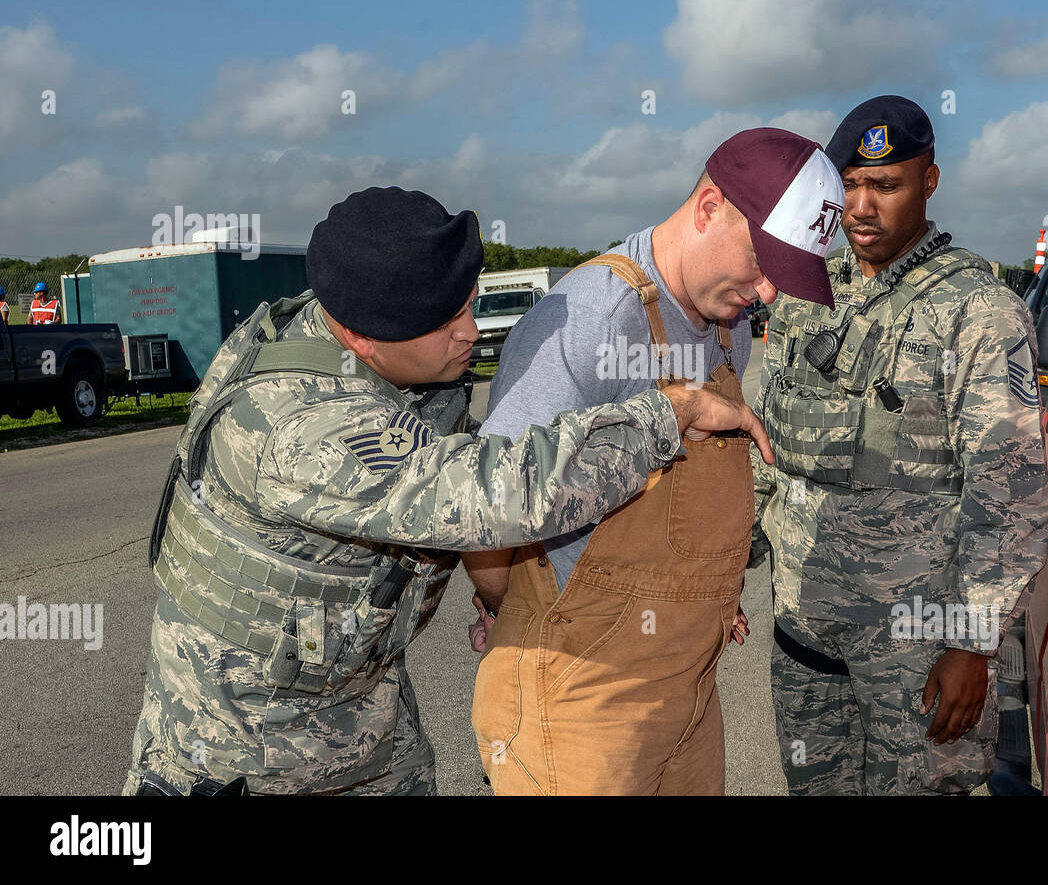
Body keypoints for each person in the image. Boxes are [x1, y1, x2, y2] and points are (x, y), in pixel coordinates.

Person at [122, 185, 770, 797]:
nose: (470, 331)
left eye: (467, 303)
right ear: (361, 339)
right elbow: (496, 494)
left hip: (361, 696)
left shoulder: (373, 313)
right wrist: (666, 415)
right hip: (243, 742)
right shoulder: (299, 425)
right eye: (444, 321)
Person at [468, 128, 845, 795]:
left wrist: (693, 600)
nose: (766, 295)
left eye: (781, 278)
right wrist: (527, 607)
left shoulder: (725, 326)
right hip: (584, 703)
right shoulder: (590, 316)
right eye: (762, 267)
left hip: (688, 694)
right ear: (708, 209)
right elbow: (485, 503)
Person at [752, 96, 1048, 795]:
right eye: (849, 184)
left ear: (929, 181)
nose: (861, 206)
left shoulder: (979, 313)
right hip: (803, 627)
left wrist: (973, 643)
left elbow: (1008, 494)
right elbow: (767, 446)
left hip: (916, 645)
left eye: (885, 185)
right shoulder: (803, 297)